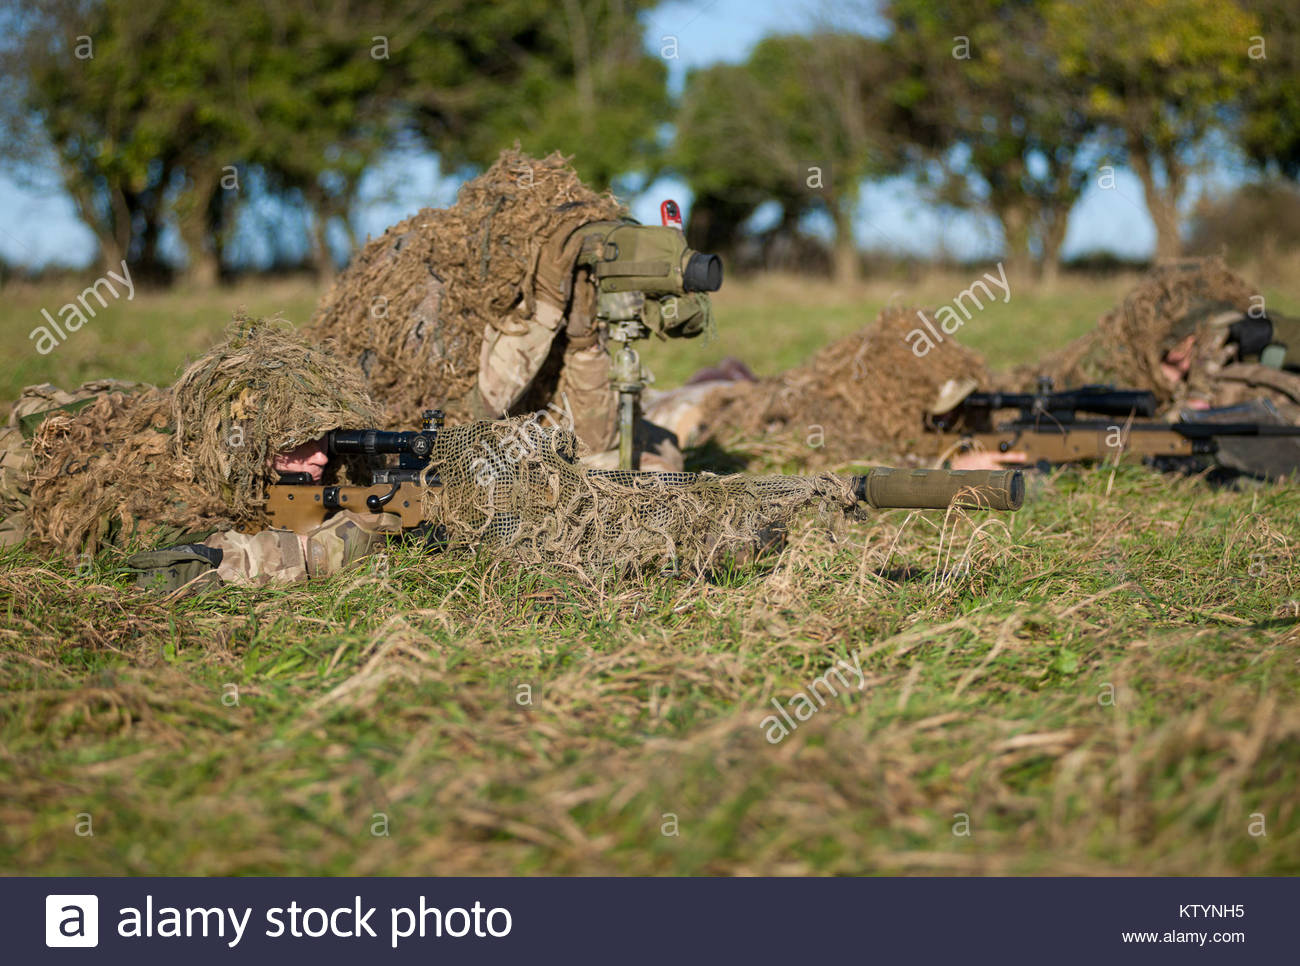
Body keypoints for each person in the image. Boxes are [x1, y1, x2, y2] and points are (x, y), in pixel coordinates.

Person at [3, 316, 400, 591]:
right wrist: (320, 553)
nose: (321, 458)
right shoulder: (154, 481)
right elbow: (176, 568)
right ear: (247, 440)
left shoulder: (243, 461)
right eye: (297, 442)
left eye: (326, 440)